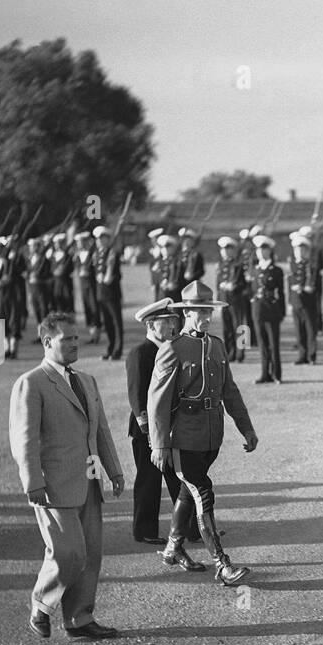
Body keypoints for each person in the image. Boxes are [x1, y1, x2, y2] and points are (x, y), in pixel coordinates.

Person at [9, 311, 125, 640]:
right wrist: (32, 482)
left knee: (91, 553)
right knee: (68, 552)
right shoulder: (31, 383)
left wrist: (113, 470)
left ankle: (78, 618)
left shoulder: (87, 380)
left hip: (89, 480)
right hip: (52, 485)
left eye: (76, 338)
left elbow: (100, 430)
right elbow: (24, 440)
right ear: (47, 342)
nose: (75, 344)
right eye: (67, 339)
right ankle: (42, 604)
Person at [147, 283, 259, 586]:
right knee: (203, 492)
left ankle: (172, 548)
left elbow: (229, 391)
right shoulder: (172, 349)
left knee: (187, 492)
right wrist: (159, 444)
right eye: (200, 311)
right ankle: (222, 565)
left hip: (211, 435)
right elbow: (157, 401)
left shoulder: (217, 345)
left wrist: (245, 426)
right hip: (184, 436)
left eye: (209, 310)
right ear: (186, 313)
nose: (207, 316)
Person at [125, 303, 184, 546]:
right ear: (150, 325)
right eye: (166, 321)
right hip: (147, 431)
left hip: (173, 426)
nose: (173, 325)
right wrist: (150, 432)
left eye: (174, 320)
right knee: (149, 481)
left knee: (181, 479)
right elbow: (137, 396)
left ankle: (190, 528)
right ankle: (144, 529)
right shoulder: (141, 353)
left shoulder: (174, 349)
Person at [250, 233, 285, 383]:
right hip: (258, 310)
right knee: (263, 344)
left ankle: (276, 374)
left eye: (264, 249)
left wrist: (282, 312)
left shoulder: (276, 270)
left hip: (272, 310)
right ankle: (265, 373)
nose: (261, 252)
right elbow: (252, 290)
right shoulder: (255, 269)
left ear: (269, 251)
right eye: (258, 250)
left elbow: (281, 292)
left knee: (273, 344)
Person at [93, 225, 125, 361]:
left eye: (102, 238)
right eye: (98, 239)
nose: (99, 241)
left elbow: (118, 275)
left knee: (116, 323)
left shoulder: (113, 254)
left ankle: (117, 350)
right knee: (107, 323)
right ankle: (111, 347)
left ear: (107, 239)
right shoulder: (98, 254)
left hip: (112, 293)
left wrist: (110, 278)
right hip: (101, 293)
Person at [287, 230, 320, 364]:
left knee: (310, 330)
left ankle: (311, 356)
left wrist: (306, 288)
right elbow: (288, 285)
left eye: (302, 250)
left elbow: (313, 285)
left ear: (306, 251)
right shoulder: (292, 266)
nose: (299, 252)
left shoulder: (311, 266)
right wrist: (290, 302)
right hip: (296, 301)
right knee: (299, 330)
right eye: (297, 250)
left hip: (308, 302)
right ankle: (302, 354)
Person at [215, 234, 249, 361]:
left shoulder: (239, 265)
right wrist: (217, 301)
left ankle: (241, 354)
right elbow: (218, 285)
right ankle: (230, 352)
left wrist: (234, 286)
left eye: (228, 249)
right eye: (223, 250)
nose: (225, 252)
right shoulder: (221, 265)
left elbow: (245, 285)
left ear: (233, 250)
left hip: (237, 300)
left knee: (240, 328)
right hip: (224, 300)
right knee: (227, 329)